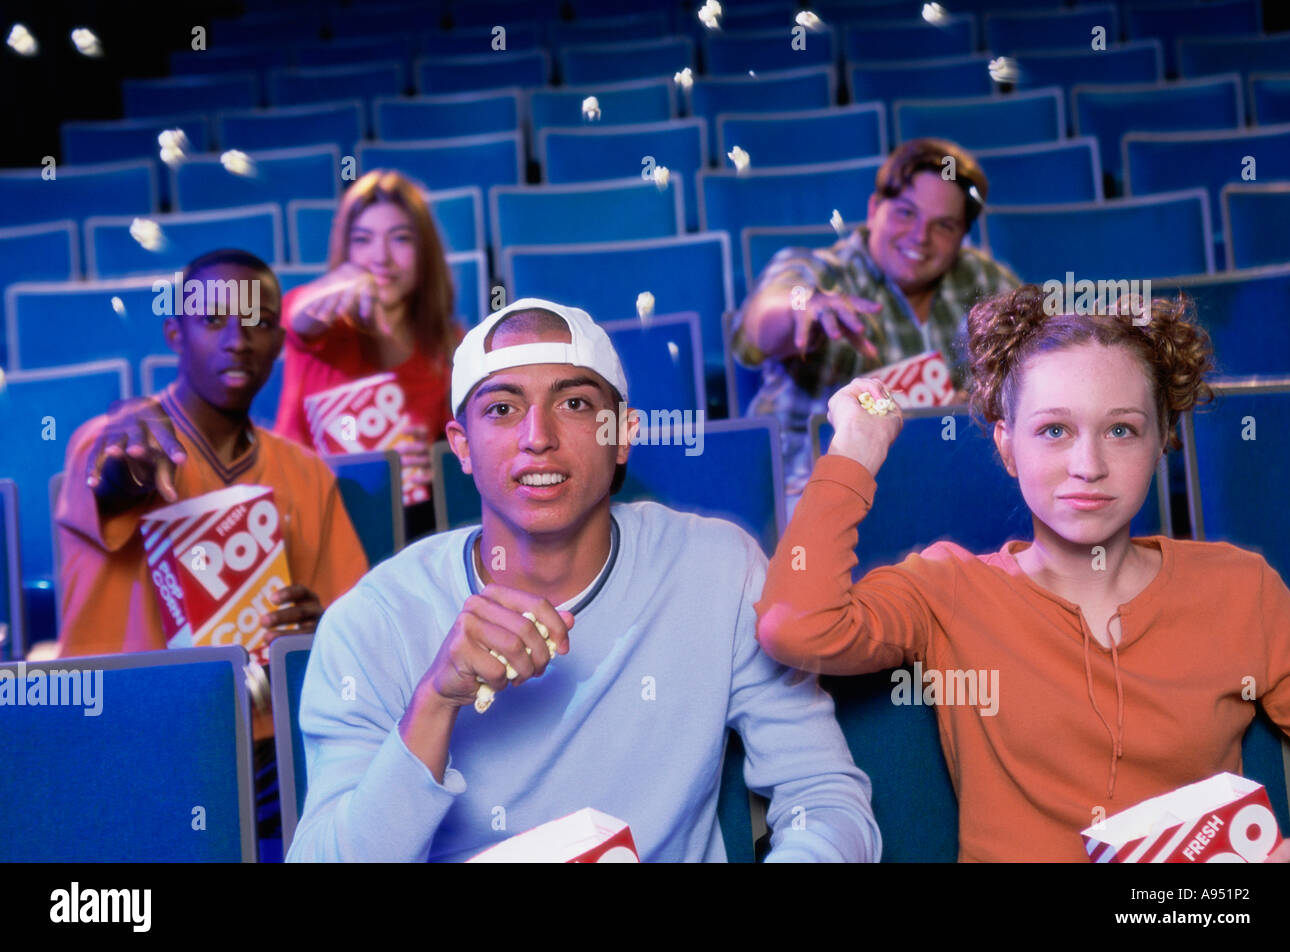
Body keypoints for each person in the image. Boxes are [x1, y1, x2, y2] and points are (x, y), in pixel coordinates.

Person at [287, 297, 880, 862]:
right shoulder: (373, 621)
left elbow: (825, 797)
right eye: (502, 408)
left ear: (623, 434)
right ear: (461, 447)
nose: (537, 436)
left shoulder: (719, 568)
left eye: (573, 405)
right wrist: (435, 703)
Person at [753, 284, 1290, 862]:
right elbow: (794, 626)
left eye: (1121, 430)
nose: (1088, 467)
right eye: (1054, 430)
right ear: (1007, 446)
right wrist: (854, 452)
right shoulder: (949, 590)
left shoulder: (1241, 587)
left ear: (1162, 438)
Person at [55, 248, 369, 860]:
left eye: (257, 323)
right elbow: (116, 479)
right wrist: (126, 460)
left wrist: (314, 627)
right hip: (134, 740)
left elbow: (348, 630)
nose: (237, 340)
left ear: (280, 341)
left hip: (272, 751)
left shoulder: (307, 473)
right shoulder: (113, 440)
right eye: (214, 319)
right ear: (175, 331)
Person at [732, 138, 1020, 505]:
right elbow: (758, 329)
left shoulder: (979, 276)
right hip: (814, 490)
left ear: (962, 236)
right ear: (874, 209)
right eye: (905, 213)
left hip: (940, 486)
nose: (920, 237)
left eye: (943, 226)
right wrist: (803, 306)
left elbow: (1036, 354)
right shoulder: (822, 270)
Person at [273, 169, 463, 541]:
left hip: (404, 527)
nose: (381, 258)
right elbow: (296, 318)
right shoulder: (320, 320)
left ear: (425, 253)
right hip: (303, 516)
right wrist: (340, 285)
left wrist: (433, 464)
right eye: (362, 240)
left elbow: (457, 458)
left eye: (401, 239)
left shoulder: (448, 345)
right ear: (346, 252)